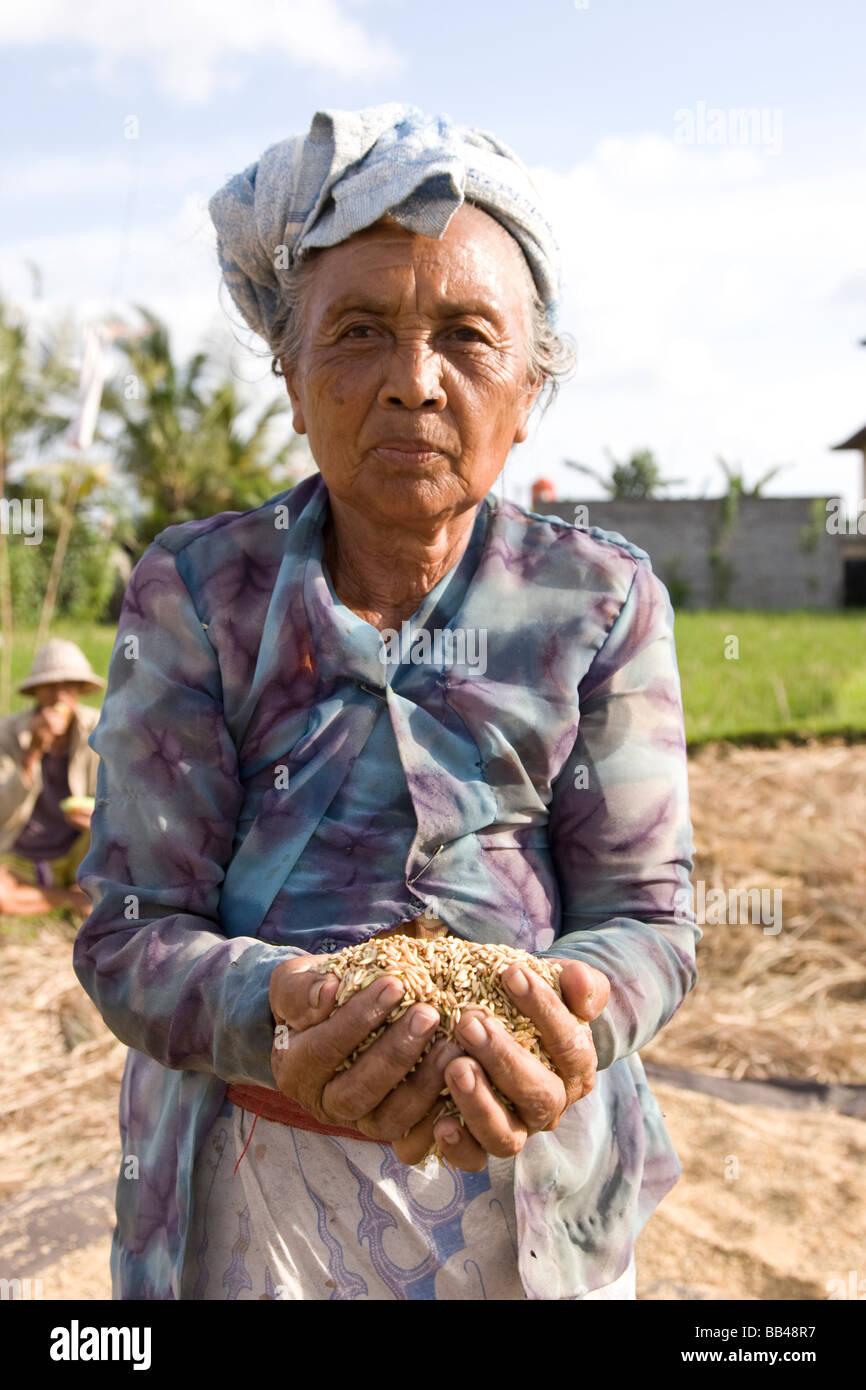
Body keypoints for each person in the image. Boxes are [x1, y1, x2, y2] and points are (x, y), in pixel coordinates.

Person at [74, 103, 699, 1301]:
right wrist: (279, 1007)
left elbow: (647, 913)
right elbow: (129, 926)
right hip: (257, 1190)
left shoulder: (598, 597)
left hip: (530, 1180)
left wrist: (573, 1013)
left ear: (527, 391)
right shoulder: (201, 592)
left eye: (467, 336)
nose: (413, 384)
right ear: (294, 381)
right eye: (359, 332)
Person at [0, 639, 102, 916]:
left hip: (79, 849)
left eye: (68, 686)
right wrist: (32, 751)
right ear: (36, 691)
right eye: (50, 686)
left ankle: (49, 896)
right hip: (22, 853)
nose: (59, 696)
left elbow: (122, 796)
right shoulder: (8, 733)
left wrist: (95, 814)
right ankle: (72, 899)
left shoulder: (97, 730)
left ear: (80, 690)